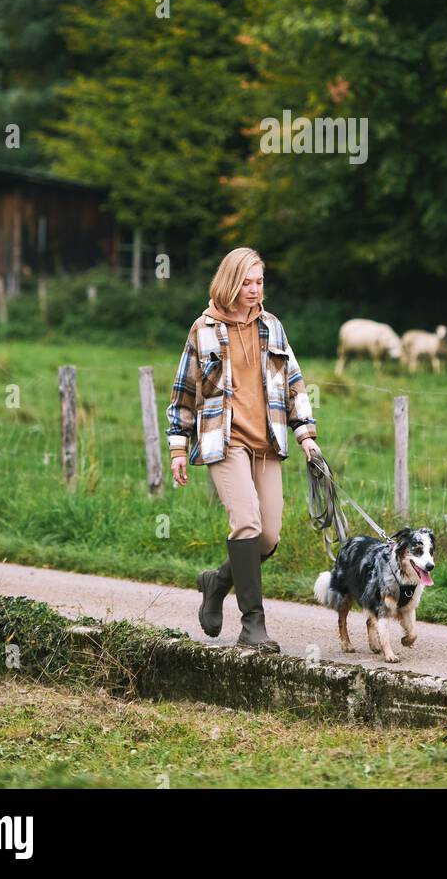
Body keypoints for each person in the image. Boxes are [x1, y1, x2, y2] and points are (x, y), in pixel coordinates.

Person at [166, 247, 320, 651]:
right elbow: (183, 391)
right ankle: (253, 625)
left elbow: (294, 384)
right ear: (231, 282)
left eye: (259, 282)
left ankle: (216, 583)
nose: (255, 290)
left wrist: (306, 433)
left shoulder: (273, 327)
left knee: (268, 536)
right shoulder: (203, 329)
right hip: (224, 441)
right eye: (247, 282)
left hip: (267, 442)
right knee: (247, 522)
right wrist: (178, 447)